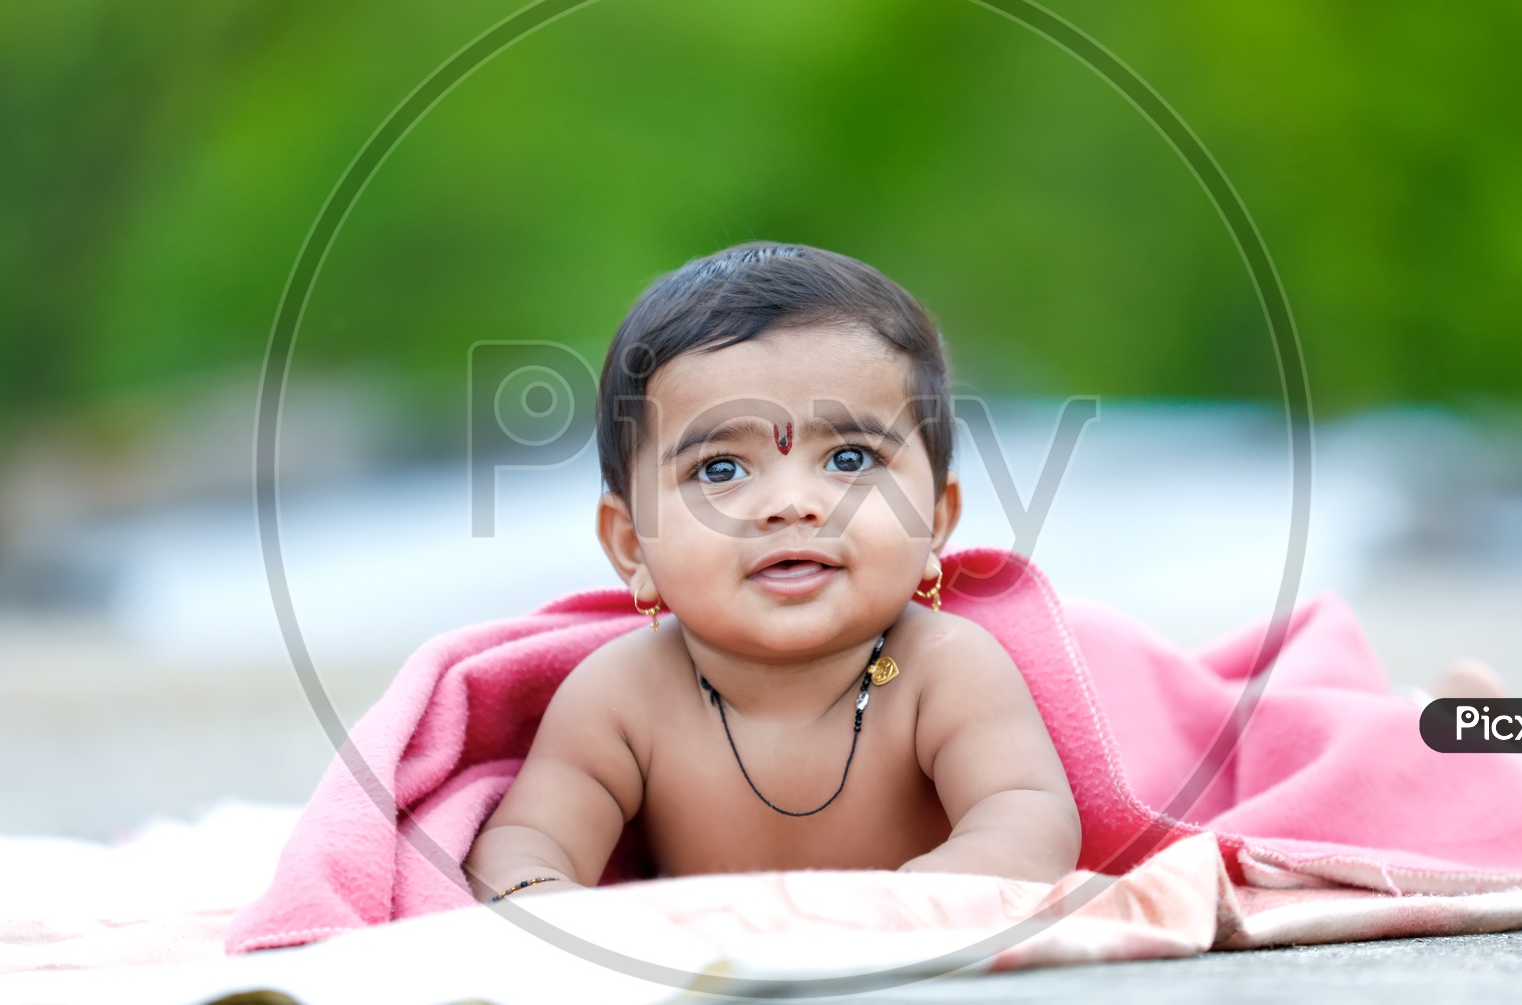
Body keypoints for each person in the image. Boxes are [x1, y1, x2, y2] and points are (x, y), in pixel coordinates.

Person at [463, 242, 1081, 902]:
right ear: (631, 547)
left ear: (934, 520)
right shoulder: (626, 696)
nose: (791, 503)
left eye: (848, 458)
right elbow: (524, 842)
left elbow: (1029, 819)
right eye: (720, 469)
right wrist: (540, 896)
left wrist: (907, 905)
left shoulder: (937, 669)